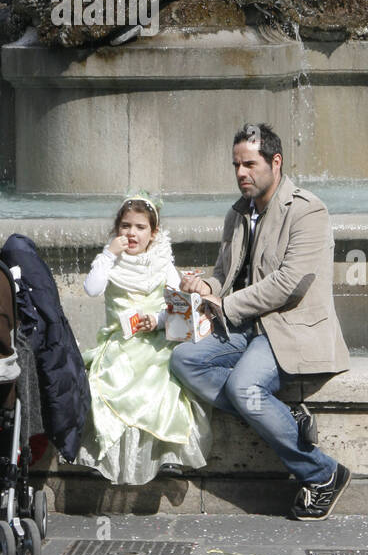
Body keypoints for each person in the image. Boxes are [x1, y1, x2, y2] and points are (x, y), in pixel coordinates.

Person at [170, 123, 351, 520]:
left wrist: (226, 303)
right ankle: (286, 416)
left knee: (246, 388)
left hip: (289, 327)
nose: (240, 173)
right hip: (246, 326)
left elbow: (288, 284)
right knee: (184, 360)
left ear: (276, 162)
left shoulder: (308, 210)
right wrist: (202, 286)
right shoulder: (237, 214)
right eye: (236, 165)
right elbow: (225, 273)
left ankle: (322, 473)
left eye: (249, 164)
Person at [76, 196, 212, 485]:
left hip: (154, 341)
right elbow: (92, 288)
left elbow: (177, 306)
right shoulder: (111, 261)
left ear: (153, 233)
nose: (131, 233)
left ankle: (169, 457)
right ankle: (103, 453)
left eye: (140, 227)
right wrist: (109, 254)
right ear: (116, 230)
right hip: (119, 341)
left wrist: (158, 320)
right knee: (110, 380)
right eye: (125, 226)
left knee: (165, 380)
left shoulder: (162, 264)